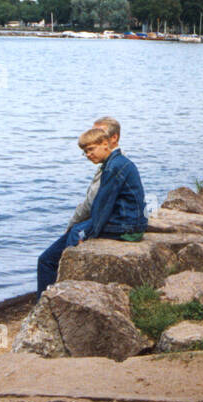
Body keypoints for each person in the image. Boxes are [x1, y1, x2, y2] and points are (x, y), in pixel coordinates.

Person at [36, 124, 147, 295]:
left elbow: (103, 205)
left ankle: (67, 288)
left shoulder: (113, 167)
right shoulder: (115, 163)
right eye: (85, 152)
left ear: (105, 144)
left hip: (127, 227)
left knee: (76, 233)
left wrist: (89, 233)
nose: (88, 155)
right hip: (126, 221)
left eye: (91, 149)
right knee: (59, 247)